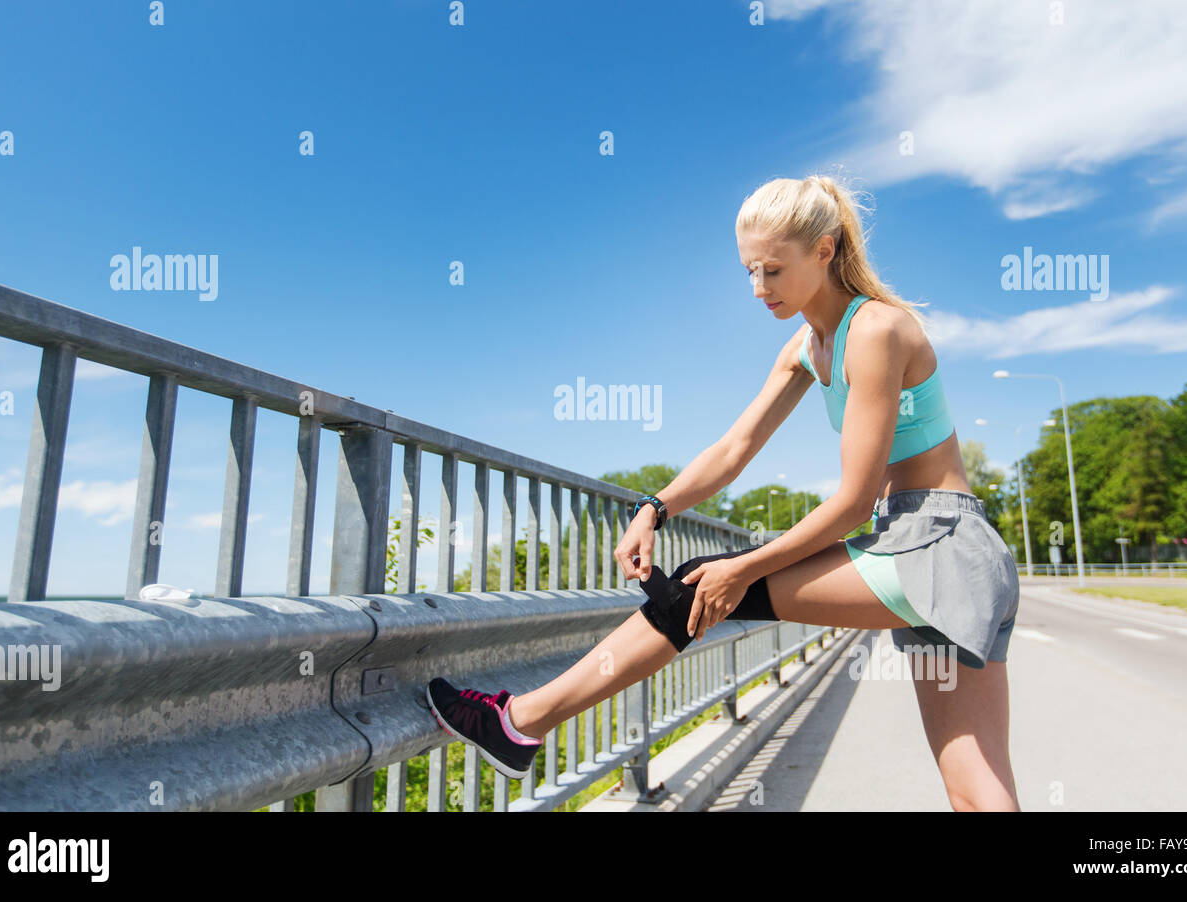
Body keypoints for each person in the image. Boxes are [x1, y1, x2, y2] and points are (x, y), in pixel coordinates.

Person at [426, 173, 1021, 811]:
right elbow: (733, 451)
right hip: (939, 554)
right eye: (748, 272)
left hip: (938, 545)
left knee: (698, 584)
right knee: (976, 793)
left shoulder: (876, 330)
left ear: (824, 250)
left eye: (771, 270)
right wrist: (654, 509)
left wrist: (741, 569)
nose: (758, 289)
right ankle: (523, 723)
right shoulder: (808, 346)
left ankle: (521, 721)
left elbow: (850, 504)